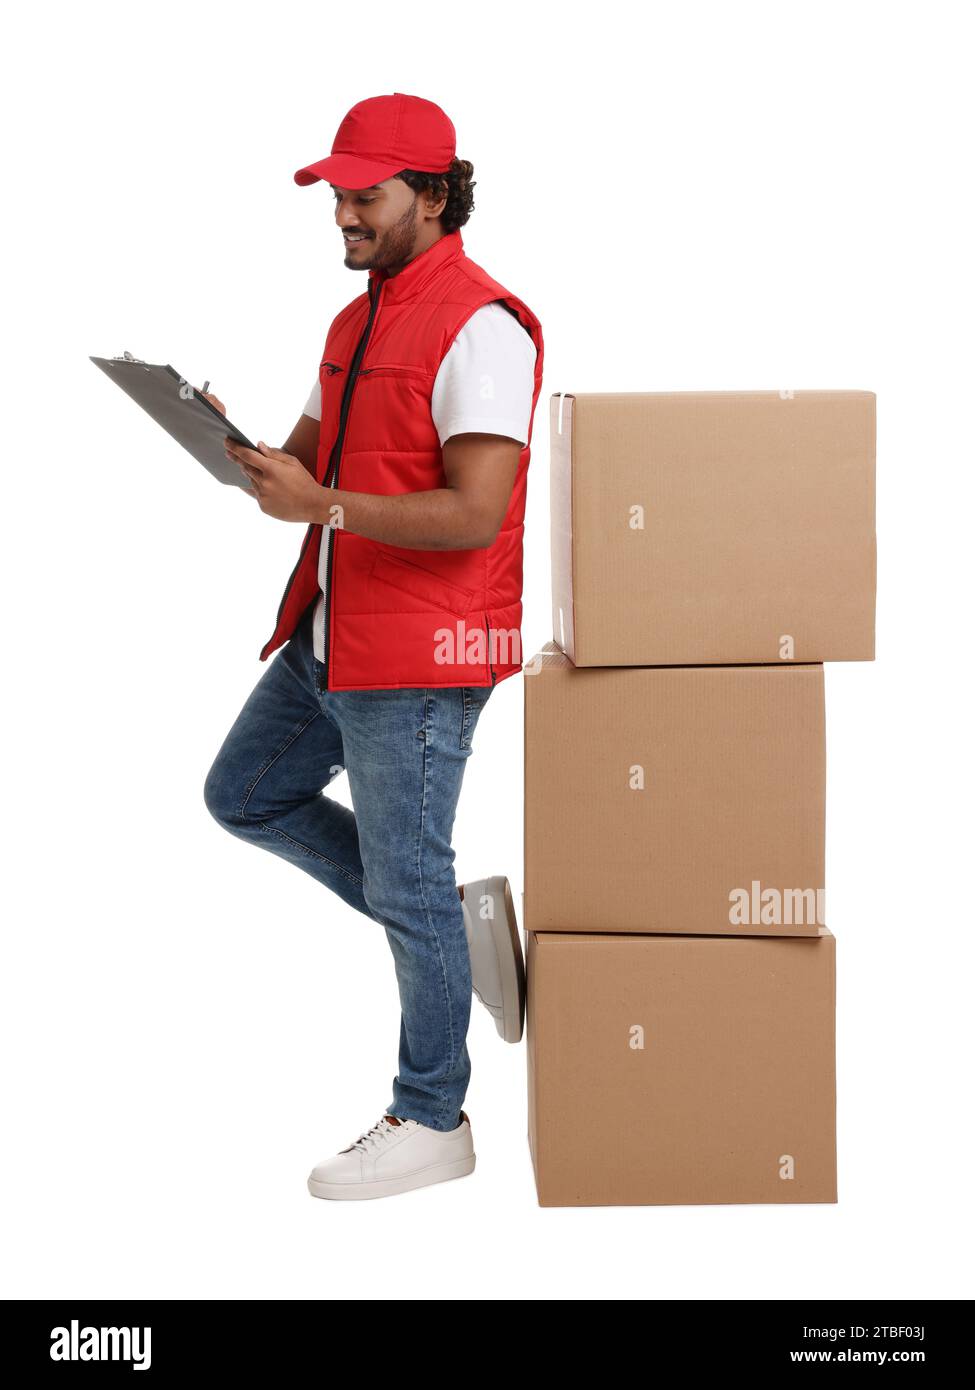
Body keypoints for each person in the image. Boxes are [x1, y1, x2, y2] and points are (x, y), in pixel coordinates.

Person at [202, 92, 544, 1201]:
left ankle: (434, 1116)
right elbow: (306, 465)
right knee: (246, 793)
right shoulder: (353, 323)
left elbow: (475, 512)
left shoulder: (482, 326)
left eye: (367, 194)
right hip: (332, 631)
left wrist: (324, 504)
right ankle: (446, 924)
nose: (344, 213)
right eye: (338, 193)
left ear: (434, 196)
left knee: (406, 882)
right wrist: (233, 450)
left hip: (422, 656)